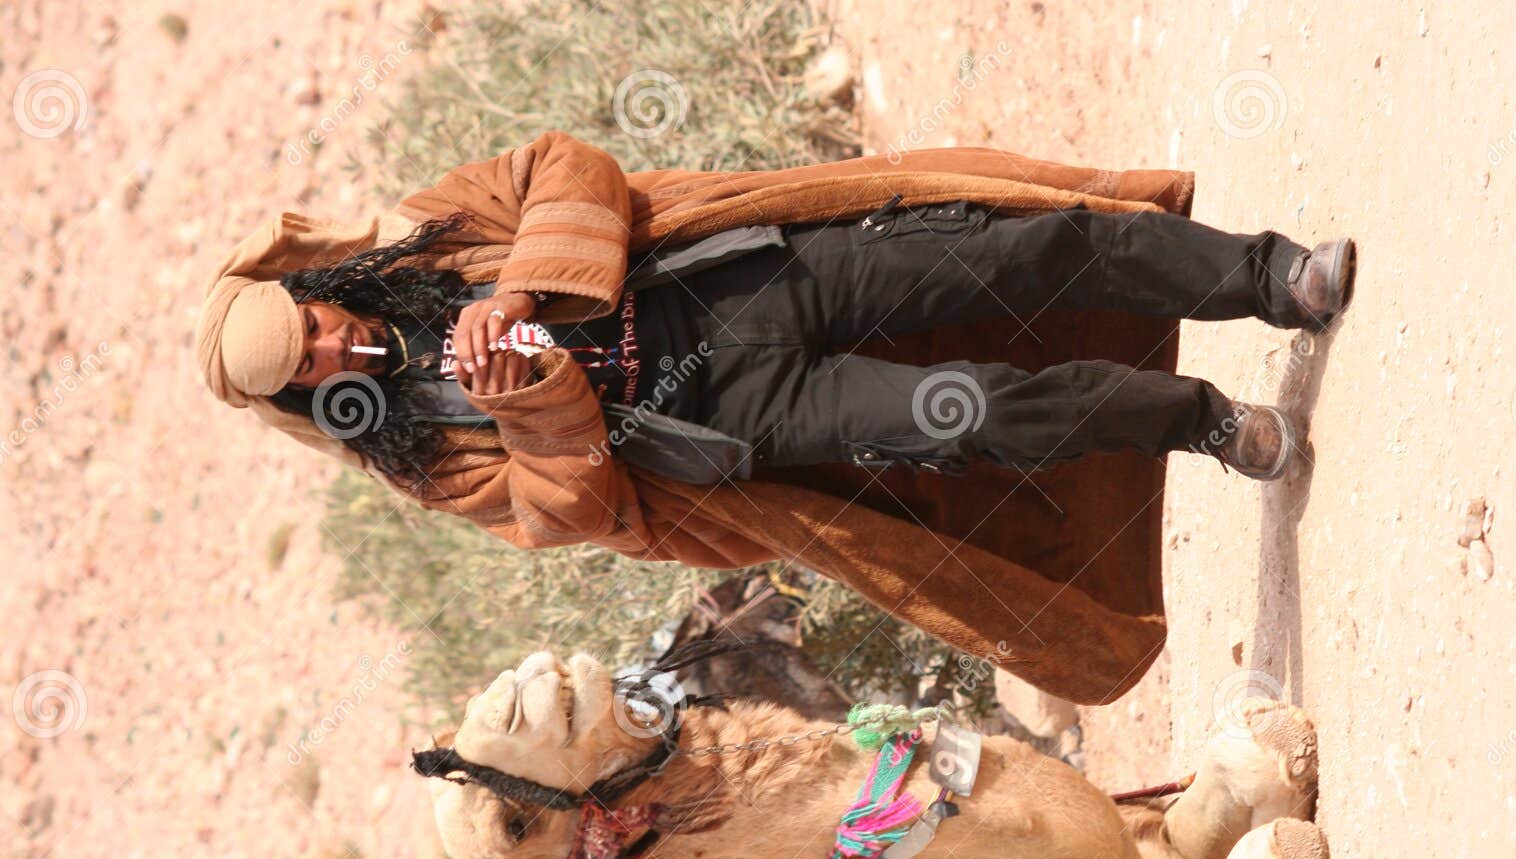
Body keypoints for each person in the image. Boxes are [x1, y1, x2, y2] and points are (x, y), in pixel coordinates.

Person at [195, 132, 1354, 705]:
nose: (337, 343)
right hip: (735, 412)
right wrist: (537, 404)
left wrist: (513, 292)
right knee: (984, 416)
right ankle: (1200, 419)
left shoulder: (434, 233)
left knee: (1026, 246)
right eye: (311, 364)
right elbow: (571, 512)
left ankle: (1269, 279)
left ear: (313, 289)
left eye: (318, 321)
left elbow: (568, 165)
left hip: (746, 278)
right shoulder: (420, 450)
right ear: (304, 395)